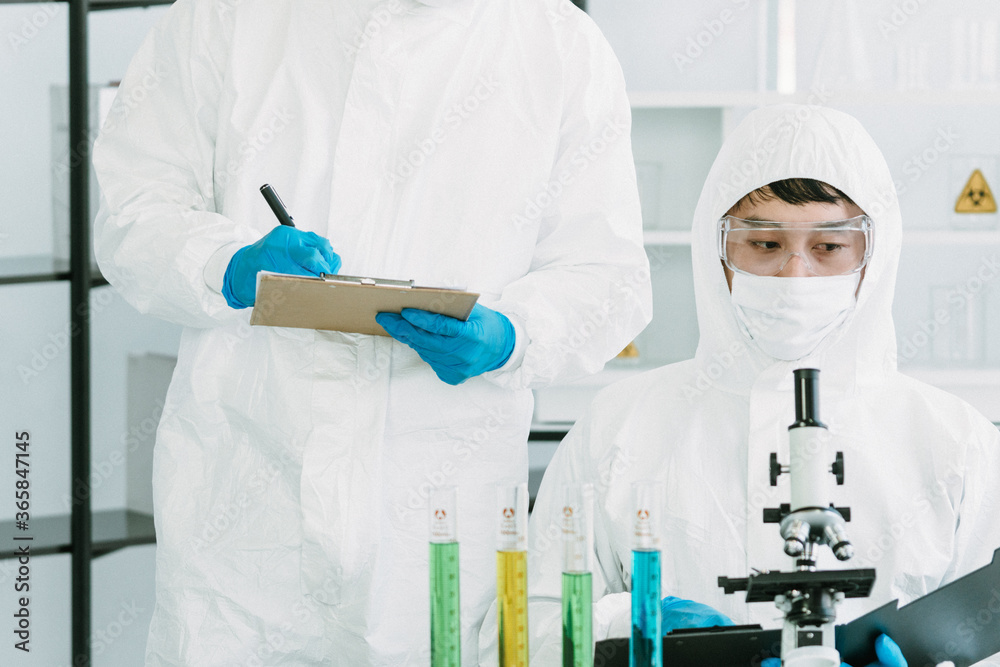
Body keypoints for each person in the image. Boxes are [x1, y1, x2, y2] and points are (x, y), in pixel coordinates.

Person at [92, 0, 652, 664]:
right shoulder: (224, 16)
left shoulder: (558, 44)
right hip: (246, 504)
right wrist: (229, 265)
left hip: (433, 511)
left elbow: (608, 273)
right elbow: (134, 210)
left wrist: (512, 335)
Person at [489, 104, 1000, 666]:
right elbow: (511, 638)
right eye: (764, 244)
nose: (795, 275)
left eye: (829, 247)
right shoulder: (619, 425)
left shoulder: (956, 442)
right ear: (718, 250)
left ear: (873, 257)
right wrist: (619, 628)